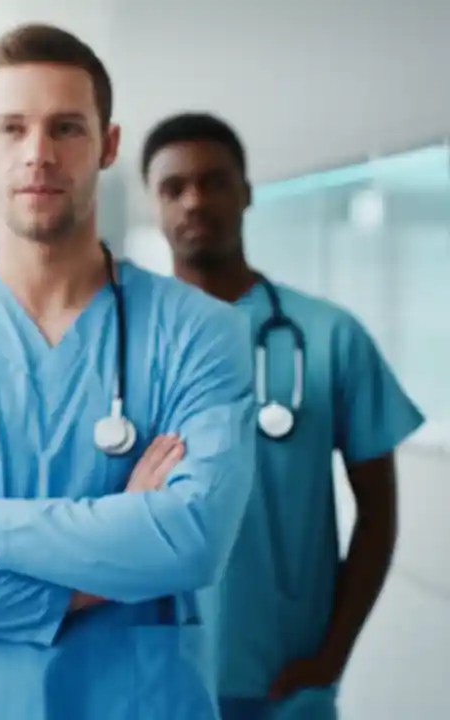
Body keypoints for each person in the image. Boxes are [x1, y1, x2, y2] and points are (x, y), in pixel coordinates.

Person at [0, 23, 258, 719]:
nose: (38, 153)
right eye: (13, 128)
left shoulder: (201, 333)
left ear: (108, 146)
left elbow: (190, 541)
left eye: (66, 128)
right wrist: (93, 579)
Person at [141, 112, 425, 720]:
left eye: (214, 181)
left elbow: (378, 513)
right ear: (153, 203)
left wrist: (332, 656)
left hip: (285, 682)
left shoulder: (328, 336)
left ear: (246, 192)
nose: (195, 201)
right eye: (173, 187)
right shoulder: (122, 345)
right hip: (154, 676)